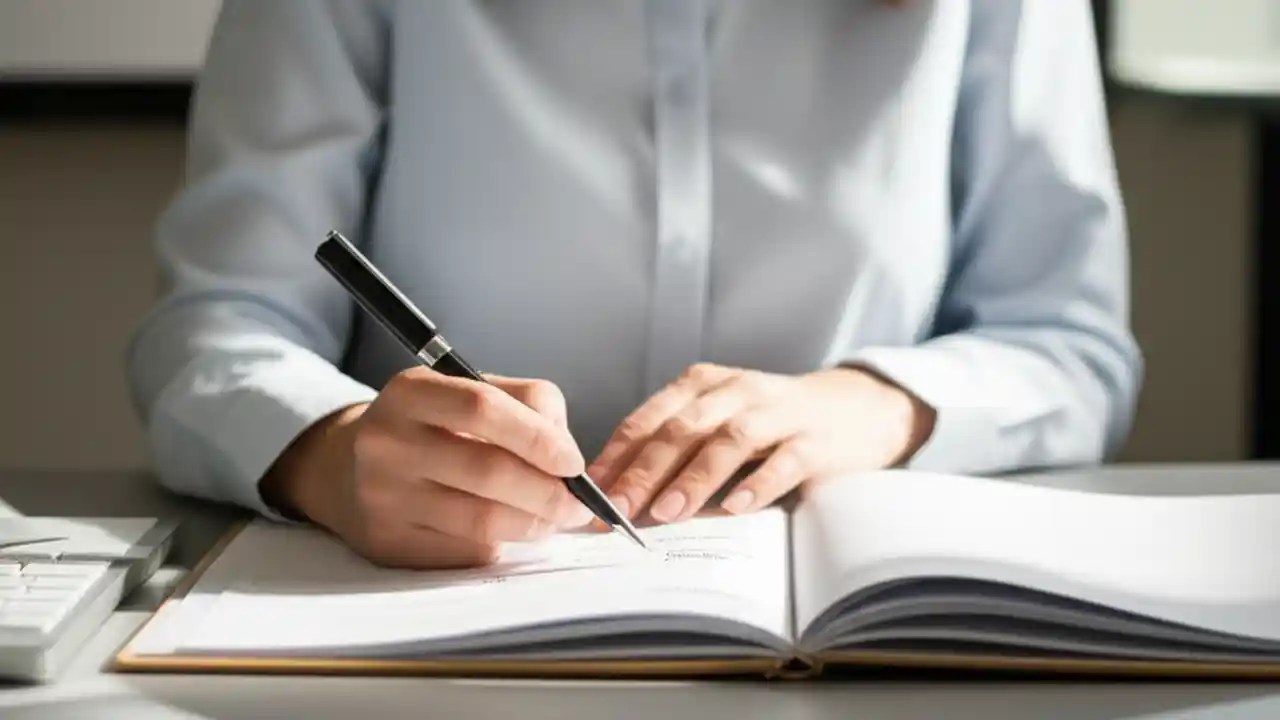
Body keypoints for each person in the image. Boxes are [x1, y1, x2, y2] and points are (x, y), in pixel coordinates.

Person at [127, 0, 1141, 569]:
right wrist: (330, 455)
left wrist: (873, 406)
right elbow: (218, 327)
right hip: (413, 631)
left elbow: (1066, 341)